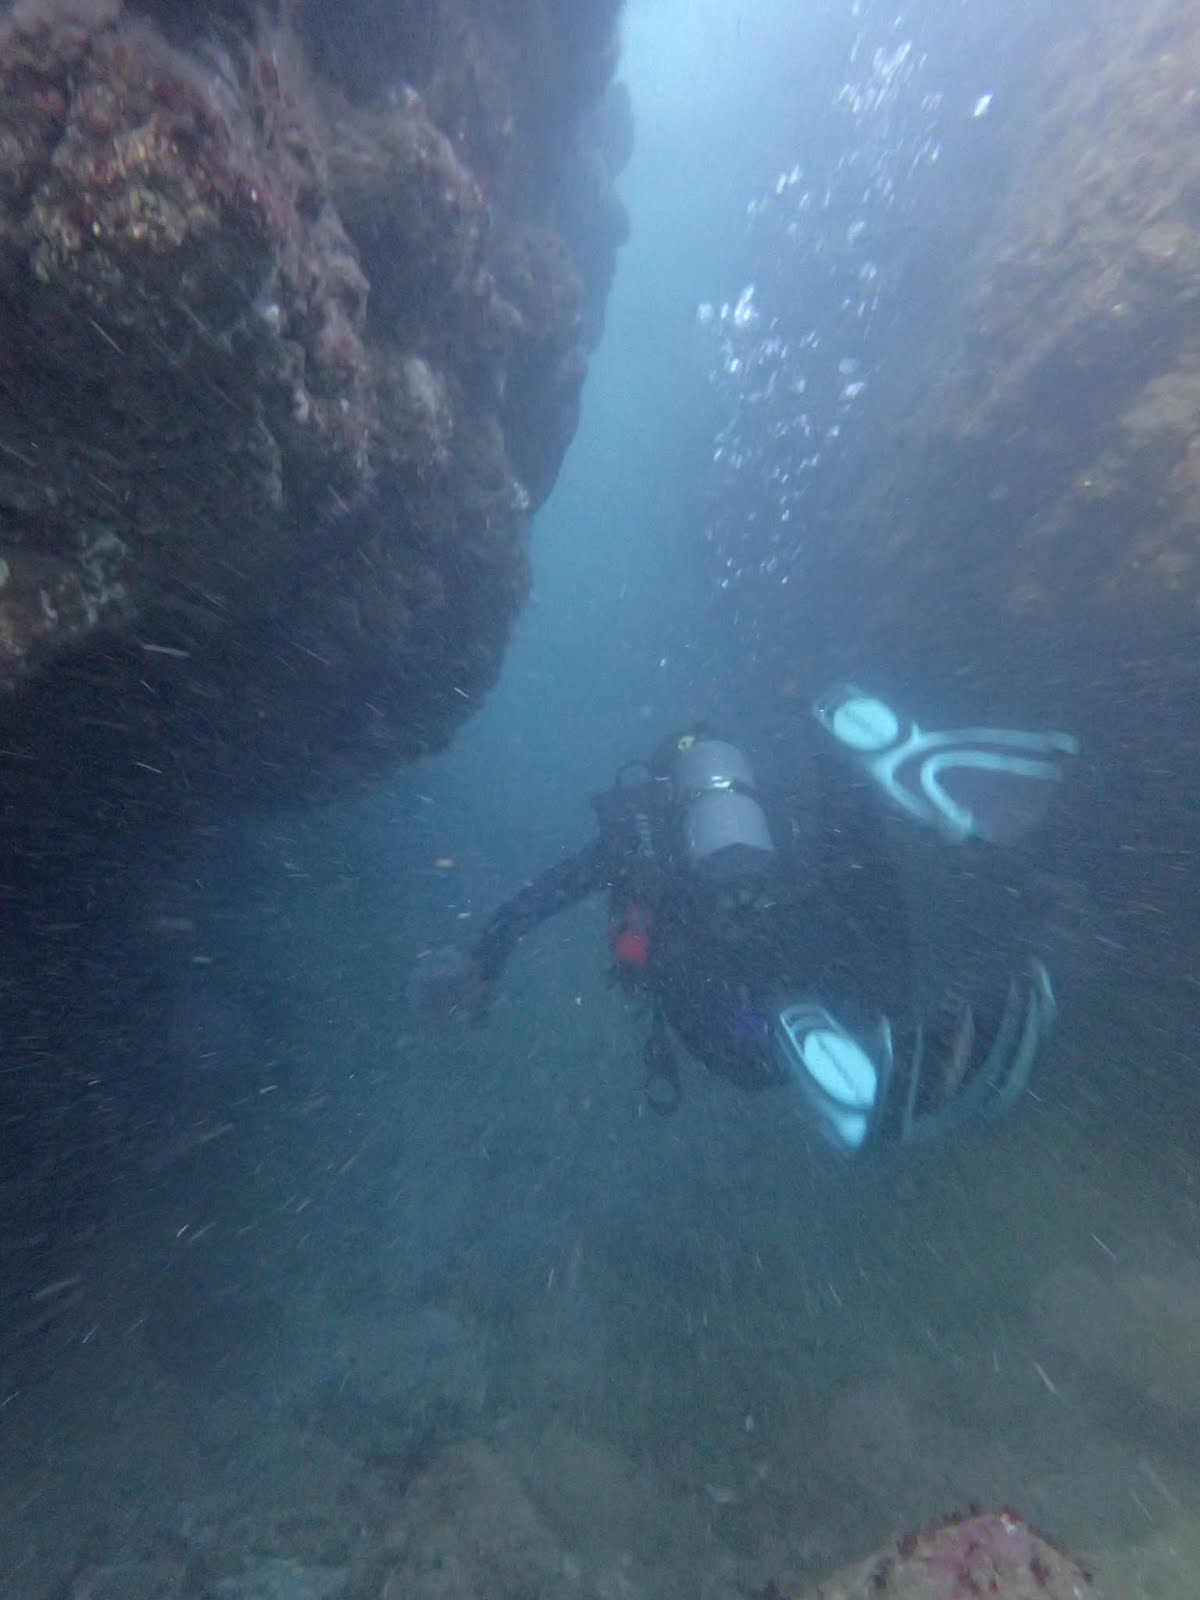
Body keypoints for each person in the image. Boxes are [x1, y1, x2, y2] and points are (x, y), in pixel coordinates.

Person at [411, 685, 1078, 1151]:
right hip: (794, 924)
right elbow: (845, 871)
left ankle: (789, 1025)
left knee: (753, 1060)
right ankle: (844, 744)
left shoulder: (633, 835)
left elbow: (540, 897)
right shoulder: (770, 803)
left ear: (660, 784)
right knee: (876, 971)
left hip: (706, 968)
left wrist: (483, 958)